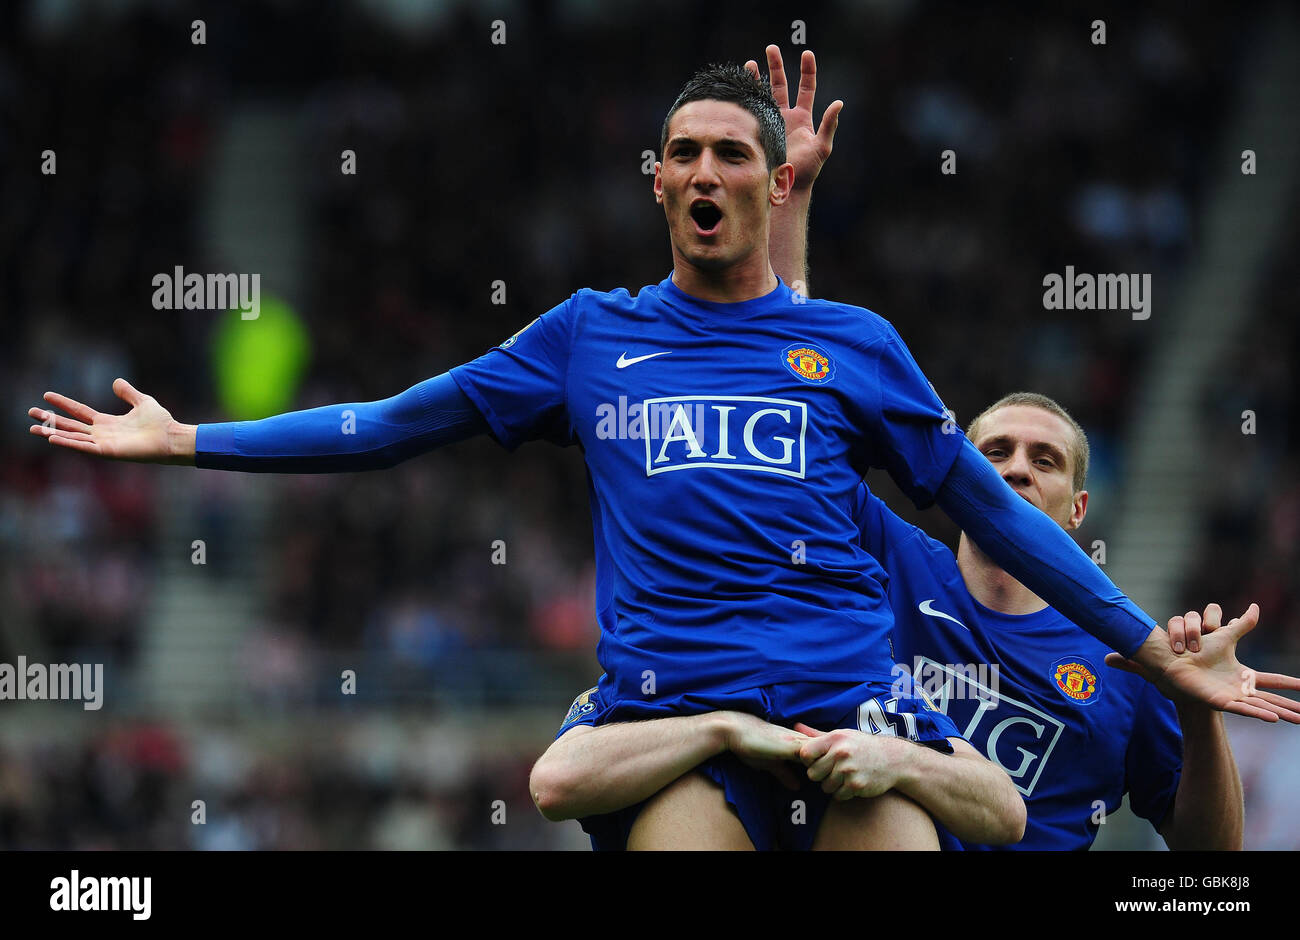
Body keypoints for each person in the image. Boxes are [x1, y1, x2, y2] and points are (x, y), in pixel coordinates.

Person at [28, 47, 1300, 852]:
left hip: (855, 712)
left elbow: (987, 508)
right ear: (656, 183)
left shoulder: (853, 344)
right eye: (683, 151)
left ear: (765, 183)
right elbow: (388, 426)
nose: (706, 168)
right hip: (675, 713)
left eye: (731, 154)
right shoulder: (586, 338)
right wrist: (190, 437)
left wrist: (1142, 648)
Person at [534, 391, 1293, 849]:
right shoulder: (885, 556)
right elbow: (790, 408)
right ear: (959, 479)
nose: (1016, 468)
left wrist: (1196, 713)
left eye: (1045, 459)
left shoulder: (1129, 659)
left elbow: (1210, 860)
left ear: (1078, 509)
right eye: (992, 451)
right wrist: (781, 196)